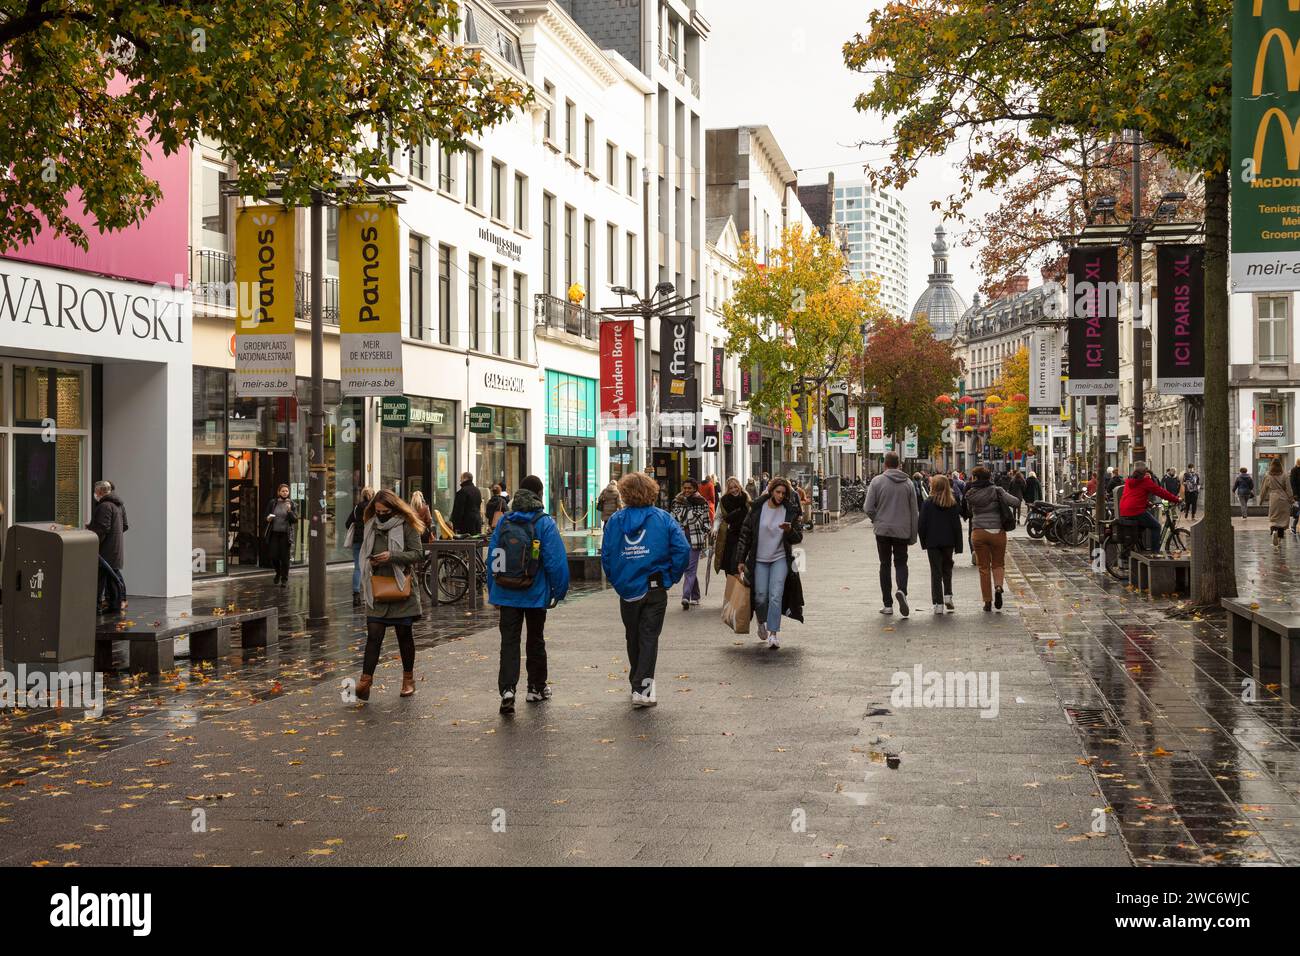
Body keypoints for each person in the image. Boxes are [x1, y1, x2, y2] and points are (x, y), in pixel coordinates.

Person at [600, 472, 690, 708]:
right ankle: (643, 689)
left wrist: (617, 579)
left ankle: (637, 684)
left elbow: (607, 555)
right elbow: (682, 549)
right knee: (649, 637)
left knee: (633, 636)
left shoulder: (615, 522)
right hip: (655, 586)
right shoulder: (663, 519)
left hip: (628, 588)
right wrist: (671, 577)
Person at [486, 474, 569, 714]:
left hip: (506, 592)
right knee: (535, 639)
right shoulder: (544, 522)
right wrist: (559, 591)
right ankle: (536, 688)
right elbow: (555, 561)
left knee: (509, 641)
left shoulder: (505, 521)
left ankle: (508, 689)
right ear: (540, 495)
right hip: (534, 592)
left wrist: (494, 589)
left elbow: (494, 555)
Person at [355, 489, 425, 701]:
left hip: (400, 588)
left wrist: (392, 556)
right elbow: (364, 553)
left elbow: (417, 553)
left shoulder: (406, 524)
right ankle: (365, 682)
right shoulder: (371, 525)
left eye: (385, 511)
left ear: (394, 509)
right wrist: (372, 560)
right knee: (374, 636)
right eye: (377, 511)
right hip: (377, 589)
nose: (381, 514)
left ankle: (408, 679)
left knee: (404, 636)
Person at [736, 476, 804, 649]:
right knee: (760, 596)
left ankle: (773, 633)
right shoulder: (758, 508)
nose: (781, 496)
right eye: (778, 492)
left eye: (784, 493)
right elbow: (745, 534)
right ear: (771, 491)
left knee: (775, 595)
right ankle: (761, 621)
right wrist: (740, 559)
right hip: (759, 559)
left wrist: (789, 531)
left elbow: (798, 538)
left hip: (780, 558)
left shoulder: (790, 510)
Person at [865, 451, 919, 617]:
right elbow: (914, 511)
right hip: (902, 531)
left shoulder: (877, 481)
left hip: (883, 530)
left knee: (885, 564)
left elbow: (868, 508)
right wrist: (913, 534)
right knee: (901, 563)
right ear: (899, 464)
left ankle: (887, 604)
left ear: (885, 464)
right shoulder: (908, 483)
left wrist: (877, 519)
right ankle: (902, 590)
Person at [962, 465, 1021, 613]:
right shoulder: (997, 491)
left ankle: (987, 601)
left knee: (983, 568)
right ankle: (999, 586)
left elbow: (969, 512)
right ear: (989, 478)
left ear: (975, 478)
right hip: (997, 532)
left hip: (979, 532)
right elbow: (1016, 502)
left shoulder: (970, 494)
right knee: (998, 564)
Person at [918, 474, 963, 614]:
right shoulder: (952, 503)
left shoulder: (927, 503)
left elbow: (921, 525)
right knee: (947, 569)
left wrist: (924, 541)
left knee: (936, 572)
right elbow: (957, 526)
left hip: (932, 542)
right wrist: (959, 545)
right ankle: (948, 595)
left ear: (933, 486)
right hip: (948, 542)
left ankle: (938, 604)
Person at [1119, 461, 1180, 552]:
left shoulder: (1129, 481)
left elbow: (1133, 495)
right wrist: (1176, 499)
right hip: (1136, 510)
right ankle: (1154, 552)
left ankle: (1138, 548)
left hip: (1124, 510)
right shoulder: (1145, 481)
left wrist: (1147, 503)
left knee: (1141, 527)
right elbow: (1160, 492)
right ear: (1145, 471)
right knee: (1156, 526)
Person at [671, 478, 712, 610]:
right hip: (680, 539)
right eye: (685, 488)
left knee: (690, 568)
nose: (687, 490)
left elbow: (706, 522)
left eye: (690, 488)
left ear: (695, 488)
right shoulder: (677, 502)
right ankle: (696, 595)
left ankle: (685, 596)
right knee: (685, 567)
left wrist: (707, 533)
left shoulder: (701, 502)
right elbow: (673, 520)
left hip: (696, 538)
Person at [88, 480, 128, 612]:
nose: (95, 494)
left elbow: (102, 529)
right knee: (112, 576)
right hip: (115, 547)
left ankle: (97, 606)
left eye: (95, 491)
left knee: (100, 578)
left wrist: (92, 541)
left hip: (105, 549)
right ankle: (115, 604)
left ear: (100, 491)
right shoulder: (119, 505)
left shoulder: (104, 506)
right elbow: (124, 526)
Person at [345, 486, 375, 607]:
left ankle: (356, 595)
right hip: (370, 540)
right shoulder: (373, 507)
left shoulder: (357, 507)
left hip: (358, 540)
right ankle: (371, 593)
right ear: (373, 495)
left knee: (357, 567)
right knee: (372, 566)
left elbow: (347, 523)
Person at [264, 483, 297, 587]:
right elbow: (266, 516)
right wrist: (268, 518)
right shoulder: (273, 503)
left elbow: (295, 519)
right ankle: (278, 573)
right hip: (274, 533)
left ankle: (284, 579)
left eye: (286, 491)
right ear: (279, 492)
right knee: (273, 556)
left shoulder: (291, 504)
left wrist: (289, 511)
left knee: (285, 558)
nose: (285, 493)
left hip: (285, 534)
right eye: (283, 491)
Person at [715, 477, 750, 577]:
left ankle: (736, 589)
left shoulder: (746, 498)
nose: (734, 490)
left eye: (735, 487)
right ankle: (732, 589)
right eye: (731, 488)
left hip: (744, 536)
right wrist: (715, 529)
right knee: (728, 566)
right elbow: (718, 517)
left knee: (735, 565)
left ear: (739, 486)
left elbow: (752, 515)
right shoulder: (724, 501)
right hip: (729, 535)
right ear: (728, 489)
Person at [1260, 458, 1293, 549]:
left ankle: (1274, 531)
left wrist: (1261, 500)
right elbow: (1289, 489)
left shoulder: (1268, 475)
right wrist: (1291, 499)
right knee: (1282, 520)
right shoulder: (1285, 475)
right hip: (1284, 498)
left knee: (1273, 518)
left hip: (1273, 498)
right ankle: (1279, 541)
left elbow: (1263, 490)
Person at [450, 472, 483, 536]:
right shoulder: (477, 491)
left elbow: (458, 510)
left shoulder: (462, 492)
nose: (460, 480)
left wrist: (455, 525)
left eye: (461, 478)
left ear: (465, 479)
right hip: (477, 521)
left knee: (466, 544)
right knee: (476, 542)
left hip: (466, 523)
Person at [1290, 459, 1300, 536]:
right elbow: (1293, 483)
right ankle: (1293, 527)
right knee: (1297, 511)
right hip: (1298, 494)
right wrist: (1295, 494)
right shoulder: (1294, 470)